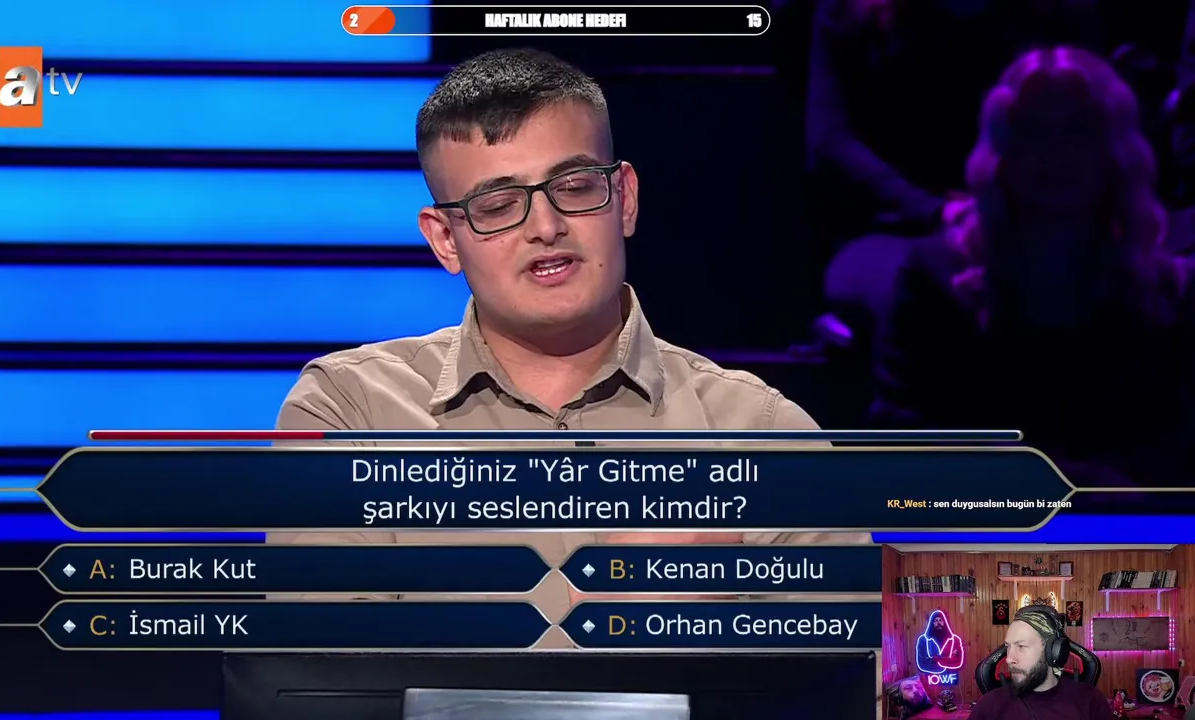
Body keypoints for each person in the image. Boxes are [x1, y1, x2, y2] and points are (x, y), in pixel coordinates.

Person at [273, 48, 870, 629]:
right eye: (497, 204)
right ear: (446, 240)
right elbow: (316, 674)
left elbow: (858, 674)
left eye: (576, 186)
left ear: (624, 199)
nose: (546, 226)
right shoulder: (354, 415)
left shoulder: (760, 435)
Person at [871, 47, 1192, 486]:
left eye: (1078, 130)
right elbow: (899, 439)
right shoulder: (934, 281)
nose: (1054, 154)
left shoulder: (1168, 291)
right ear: (1000, 151)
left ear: (1116, 152)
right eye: (1031, 131)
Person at [970, 605, 1114, 720]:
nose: (1009, 659)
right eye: (1008, 646)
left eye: (1021, 646)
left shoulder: (1091, 701)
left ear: (1054, 651)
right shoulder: (988, 707)